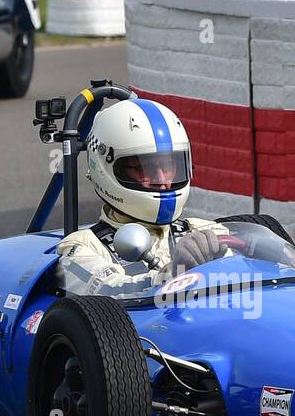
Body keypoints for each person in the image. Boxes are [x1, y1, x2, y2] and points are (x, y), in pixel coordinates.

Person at [56, 98, 230, 296]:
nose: (163, 180)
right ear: (107, 170)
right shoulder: (81, 246)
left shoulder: (204, 230)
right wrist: (175, 273)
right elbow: (107, 291)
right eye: (143, 168)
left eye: (168, 166)